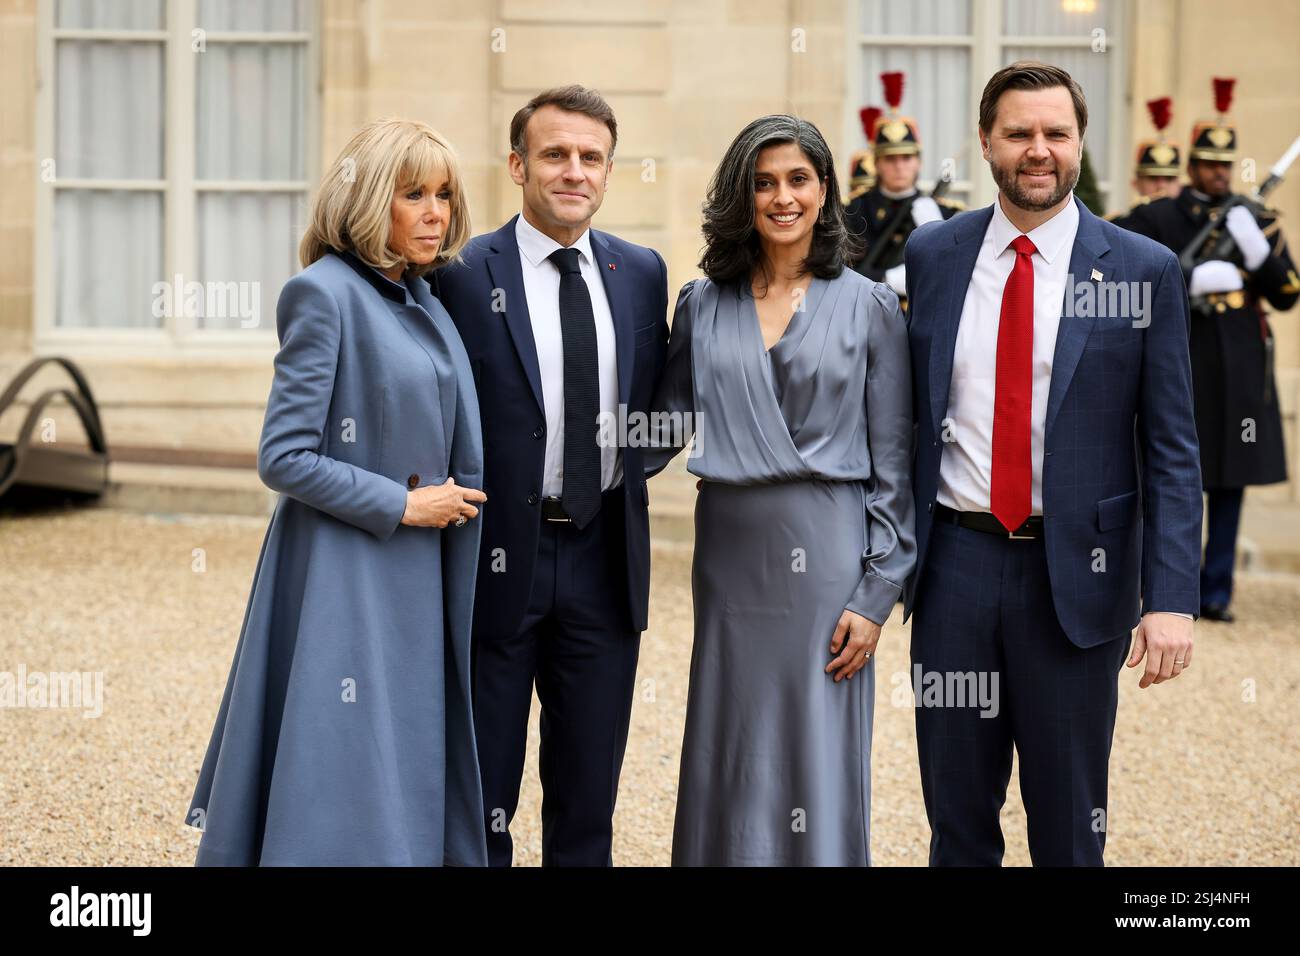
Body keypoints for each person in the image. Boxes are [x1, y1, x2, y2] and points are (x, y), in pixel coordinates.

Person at [903, 62, 1202, 866]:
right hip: (953, 569)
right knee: (956, 821)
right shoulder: (934, 254)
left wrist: (1171, 596)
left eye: (1055, 133)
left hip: (1080, 578)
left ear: (1079, 143)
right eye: (1019, 133)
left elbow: (1173, 449)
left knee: (1070, 829)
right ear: (986, 142)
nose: (1039, 150)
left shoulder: (1142, 268)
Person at [186, 119, 489, 865]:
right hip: (343, 569)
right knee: (341, 768)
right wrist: (403, 504)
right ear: (367, 201)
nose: (435, 213)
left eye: (444, 195)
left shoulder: (419, 294)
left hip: (414, 573)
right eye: (412, 194)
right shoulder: (322, 294)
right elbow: (283, 456)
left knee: (396, 755)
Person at [646, 114, 915, 866]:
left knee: (813, 742)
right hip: (730, 559)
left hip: (827, 559)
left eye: (798, 179)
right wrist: (565, 462)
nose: (782, 197)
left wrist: (876, 593)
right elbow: (661, 429)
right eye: (763, 183)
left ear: (825, 190)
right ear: (743, 195)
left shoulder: (869, 307)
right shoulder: (701, 303)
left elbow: (894, 461)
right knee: (730, 736)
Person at [432, 86, 669, 867]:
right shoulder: (461, 271)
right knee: (482, 797)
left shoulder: (639, 272)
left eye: (591, 157)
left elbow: (659, 400)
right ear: (517, 164)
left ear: (608, 170)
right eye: (555, 154)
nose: (574, 171)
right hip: (496, 558)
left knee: (586, 801)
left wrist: (627, 469)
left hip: (605, 564)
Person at [1115, 78, 1299, 622]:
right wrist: (1187, 279)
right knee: (1170, 472)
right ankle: (1169, 584)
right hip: (1183, 358)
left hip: (1238, 364)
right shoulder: (1157, 217)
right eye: (1208, 163)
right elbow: (1124, 275)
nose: (1219, 173)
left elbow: (1288, 293)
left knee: (1230, 476)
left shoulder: (1254, 219)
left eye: (1226, 164)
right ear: (1193, 166)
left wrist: (1258, 251)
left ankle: (1216, 589)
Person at [844, 71, 964, 308]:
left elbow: (960, 271)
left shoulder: (945, 212)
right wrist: (884, 279)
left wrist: (938, 231)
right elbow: (836, 271)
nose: (899, 166)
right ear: (876, 163)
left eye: (907, 158)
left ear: (919, 161)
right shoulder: (852, 210)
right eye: (890, 159)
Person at [1109, 96, 1183, 226]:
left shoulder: (1197, 225)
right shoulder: (1119, 226)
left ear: (1179, 185)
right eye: (1153, 179)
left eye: (1169, 179)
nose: (1161, 186)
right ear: (1135, 183)